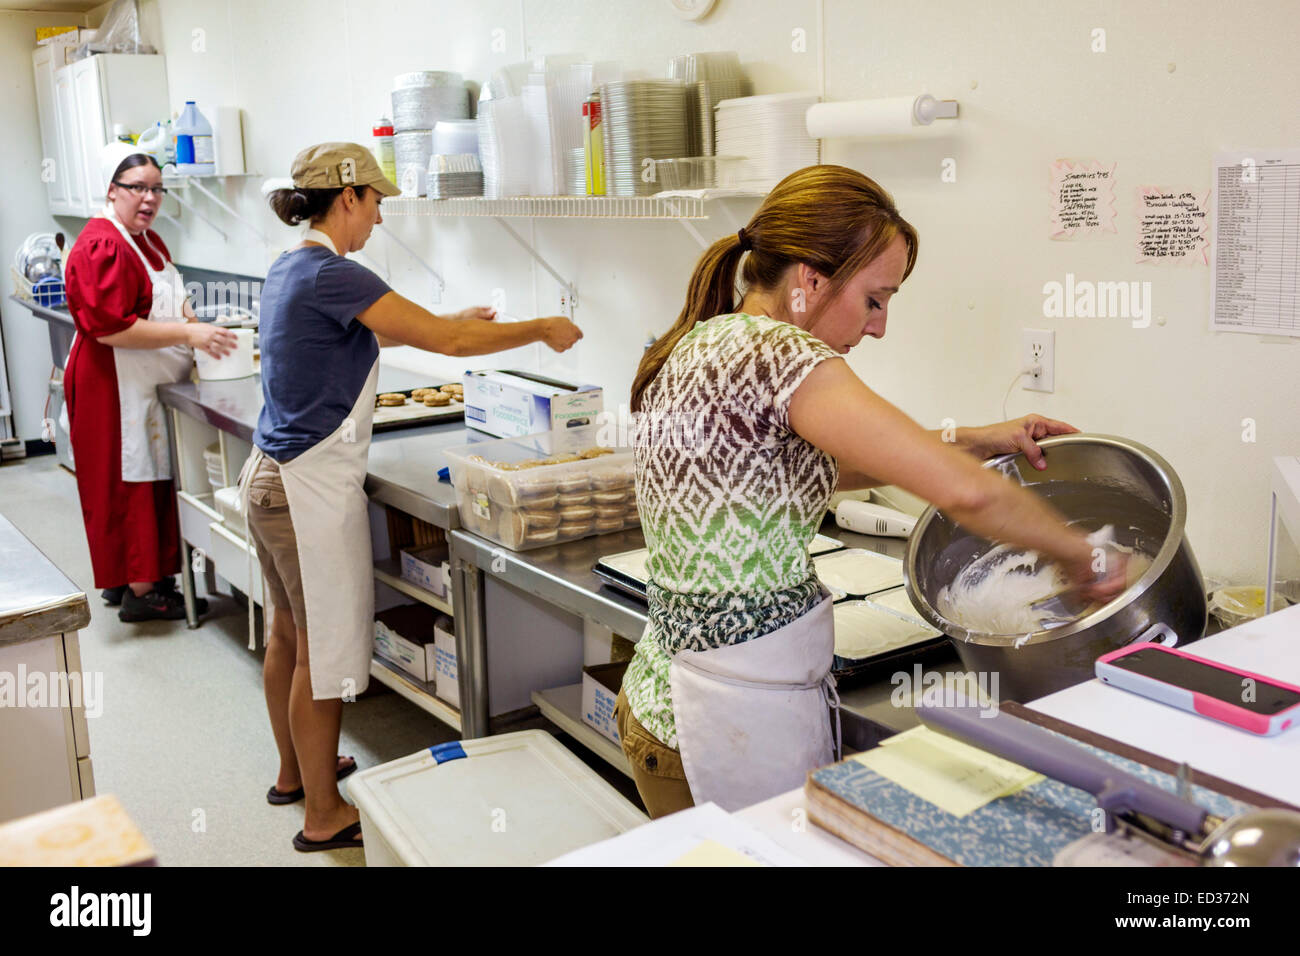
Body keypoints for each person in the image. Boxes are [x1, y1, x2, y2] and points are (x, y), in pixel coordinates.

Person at [616, 164, 1127, 818]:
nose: (880, 326)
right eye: (875, 299)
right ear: (810, 280)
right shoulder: (774, 353)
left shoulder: (716, 341)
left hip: (673, 701)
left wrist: (979, 438)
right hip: (711, 719)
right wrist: (1086, 556)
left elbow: (828, 466)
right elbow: (968, 498)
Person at [244, 143, 582, 852]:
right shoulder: (334, 272)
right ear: (347, 199)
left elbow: (414, 326)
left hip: (270, 478)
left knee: (286, 633)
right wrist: (542, 329)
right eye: (376, 203)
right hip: (305, 490)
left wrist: (453, 319)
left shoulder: (291, 268)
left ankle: (293, 773)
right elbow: (453, 343)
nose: (378, 217)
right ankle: (323, 814)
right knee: (320, 651)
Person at [64, 145, 236, 622]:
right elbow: (110, 328)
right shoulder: (103, 244)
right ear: (111, 190)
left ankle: (129, 577)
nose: (149, 198)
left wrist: (199, 332)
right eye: (137, 187)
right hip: (113, 386)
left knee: (151, 474)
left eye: (157, 188)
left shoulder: (147, 239)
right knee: (129, 479)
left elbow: (173, 296)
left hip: (144, 380)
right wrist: (188, 334)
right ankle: (144, 593)